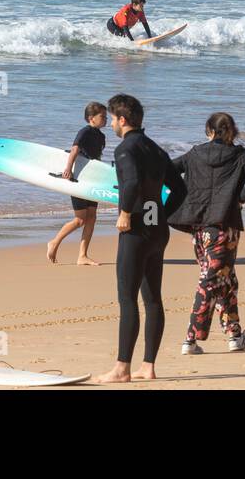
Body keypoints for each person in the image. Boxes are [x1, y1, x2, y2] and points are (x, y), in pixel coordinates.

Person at [95, 93, 187, 384]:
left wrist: (124, 213)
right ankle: (148, 366)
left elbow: (132, 181)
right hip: (157, 229)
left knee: (127, 299)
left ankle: (122, 369)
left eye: (112, 118)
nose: (110, 124)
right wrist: (159, 212)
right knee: (153, 300)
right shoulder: (156, 149)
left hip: (134, 231)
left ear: (122, 120)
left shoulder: (125, 149)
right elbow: (180, 190)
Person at [169, 112, 245, 354]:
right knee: (210, 282)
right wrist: (240, 199)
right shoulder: (239, 154)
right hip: (224, 229)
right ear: (232, 130)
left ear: (209, 131)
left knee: (226, 281)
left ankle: (235, 336)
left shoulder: (194, 154)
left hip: (199, 230)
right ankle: (190, 340)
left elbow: (169, 171)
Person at [46, 102, 108, 266]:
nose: (106, 119)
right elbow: (74, 150)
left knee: (92, 217)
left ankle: (83, 256)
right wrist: (68, 169)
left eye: (106, 116)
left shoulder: (101, 136)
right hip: (78, 179)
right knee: (80, 219)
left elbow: (96, 159)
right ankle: (54, 242)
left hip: (91, 179)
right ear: (91, 118)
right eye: (102, 116)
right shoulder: (85, 132)